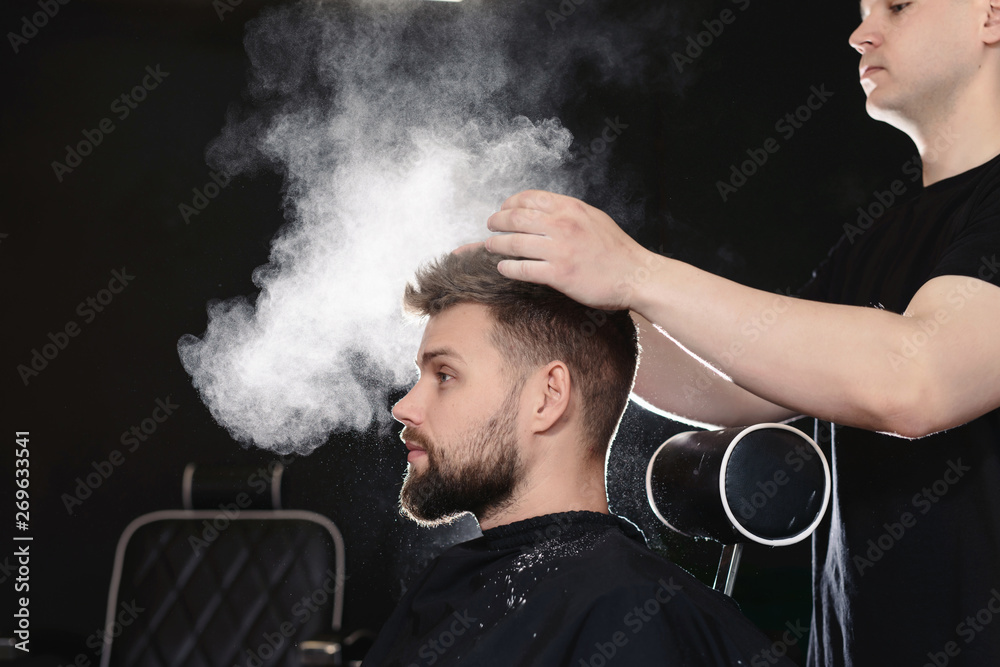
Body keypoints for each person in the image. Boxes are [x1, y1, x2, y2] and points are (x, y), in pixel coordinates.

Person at [482, 1, 1000, 666]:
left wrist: (635, 272)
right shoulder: (881, 239)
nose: (861, 32)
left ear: (990, 15)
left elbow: (914, 380)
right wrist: (572, 312)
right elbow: (735, 382)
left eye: (897, 6)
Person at [362, 247, 795, 666]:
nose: (404, 408)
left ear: (548, 397)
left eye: (444, 375)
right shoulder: (446, 584)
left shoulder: (632, 614)